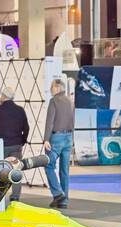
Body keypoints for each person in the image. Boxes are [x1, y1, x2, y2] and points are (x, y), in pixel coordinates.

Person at [0, 87, 30, 201]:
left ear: (3, 96)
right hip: (16, 145)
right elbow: (26, 128)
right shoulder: (20, 110)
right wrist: (22, 141)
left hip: (0, 146)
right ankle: (15, 196)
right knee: (16, 170)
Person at [43, 78, 74, 208]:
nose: (50, 90)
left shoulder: (54, 101)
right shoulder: (70, 101)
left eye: (51, 87)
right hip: (69, 137)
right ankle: (64, 201)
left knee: (48, 165)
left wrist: (46, 139)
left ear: (56, 87)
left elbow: (50, 122)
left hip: (56, 138)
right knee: (64, 170)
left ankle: (57, 193)